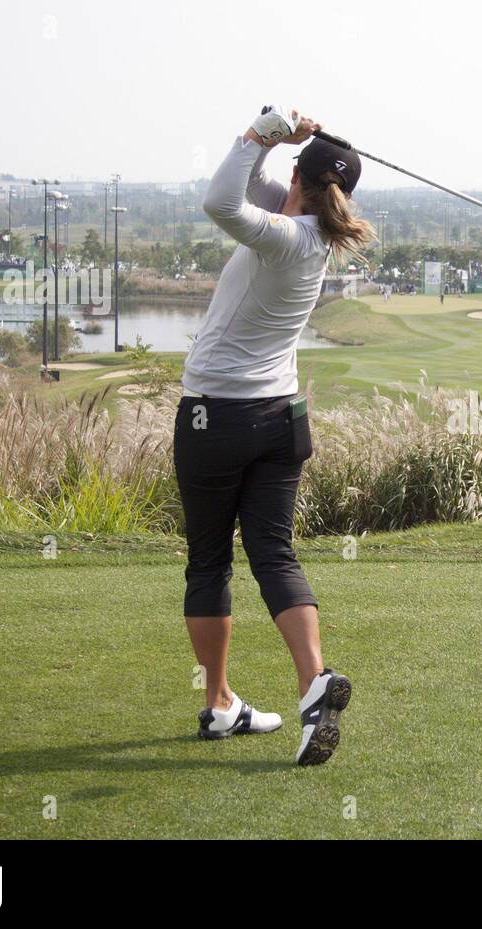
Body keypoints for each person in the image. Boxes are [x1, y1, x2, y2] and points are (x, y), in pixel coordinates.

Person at [175, 105, 374, 766]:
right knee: (274, 552)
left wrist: (260, 133)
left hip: (216, 417)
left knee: (209, 558)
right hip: (282, 420)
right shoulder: (310, 230)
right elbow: (254, 190)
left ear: (300, 174)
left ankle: (220, 701)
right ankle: (312, 683)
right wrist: (277, 146)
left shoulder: (284, 237)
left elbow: (219, 200)